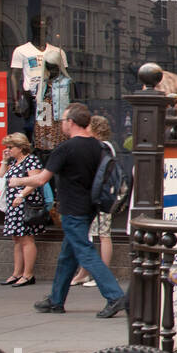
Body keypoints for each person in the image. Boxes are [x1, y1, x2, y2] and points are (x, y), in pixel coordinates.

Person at [15, 103, 127, 317]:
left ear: (71, 122)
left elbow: (41, 179)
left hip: (72, 209)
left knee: (85, 253)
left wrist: (16, 180)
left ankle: (114, 296)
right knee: (67, 255)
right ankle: (56, 299)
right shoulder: (98, 147)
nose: (62, 124)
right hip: (89, 207)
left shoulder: (66, 148)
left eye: (64, 120)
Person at [70, 116, 117, 288]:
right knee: (96, 234)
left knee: (102, 234)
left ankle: (101, 273)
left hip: (101, 196)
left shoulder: (102, 147)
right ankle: (87, 272)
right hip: (102, 195)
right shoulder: (106, 146)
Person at [0, 132, 45, 287]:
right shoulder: (14, 162)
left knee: (26, 238)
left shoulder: (31, 160)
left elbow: (35, 181)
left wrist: (21, 195)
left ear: (20, 147)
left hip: (25, 205)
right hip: (14, 205)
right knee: (17, 239)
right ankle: (17, 273)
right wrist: (4, 161)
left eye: (10, 147)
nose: (8, 150)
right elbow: (2, 179)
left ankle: (28, 274)